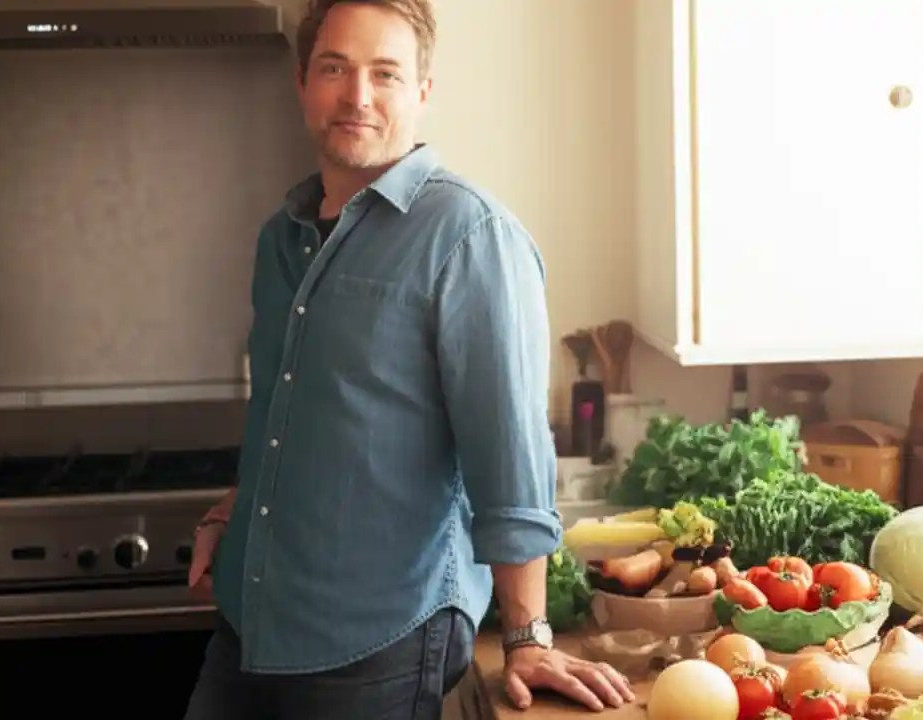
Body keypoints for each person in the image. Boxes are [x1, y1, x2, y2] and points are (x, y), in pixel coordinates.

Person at [180, 1, 635, 717]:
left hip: (374, 642)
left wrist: (527, 636)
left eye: (385, 73)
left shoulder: (470, 236)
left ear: (422, 91)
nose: (357, 96)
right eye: (335, 69)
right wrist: (235, 509)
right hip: (249, 619)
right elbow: (289, 410)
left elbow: (509, 457)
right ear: (303, 82)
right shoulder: (280, 239)